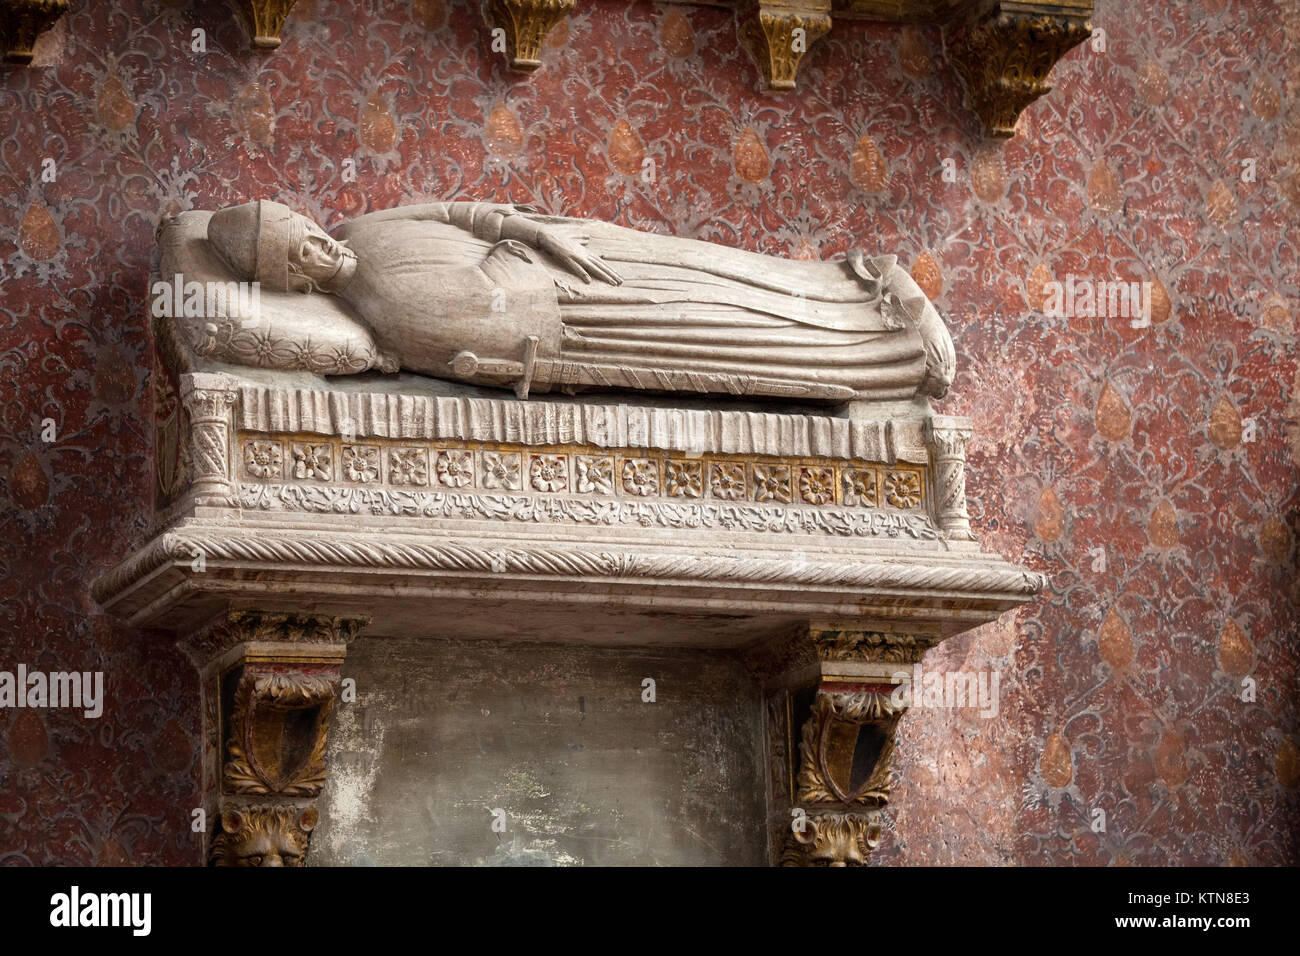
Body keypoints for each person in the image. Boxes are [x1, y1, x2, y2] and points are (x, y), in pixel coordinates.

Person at [205, 199, 954, 403]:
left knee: (715, 267)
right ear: (297, 284)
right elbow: (496, 313)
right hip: (588, 322)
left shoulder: (364, 226)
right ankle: (886, 348)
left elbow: (465, 214)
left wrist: (534, 230)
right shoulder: (384, 312)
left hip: (571, 253)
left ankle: (851, 286)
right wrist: (522, 256)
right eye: (301, 253)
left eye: (306, 228)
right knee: (720, 319)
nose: (320, 244)